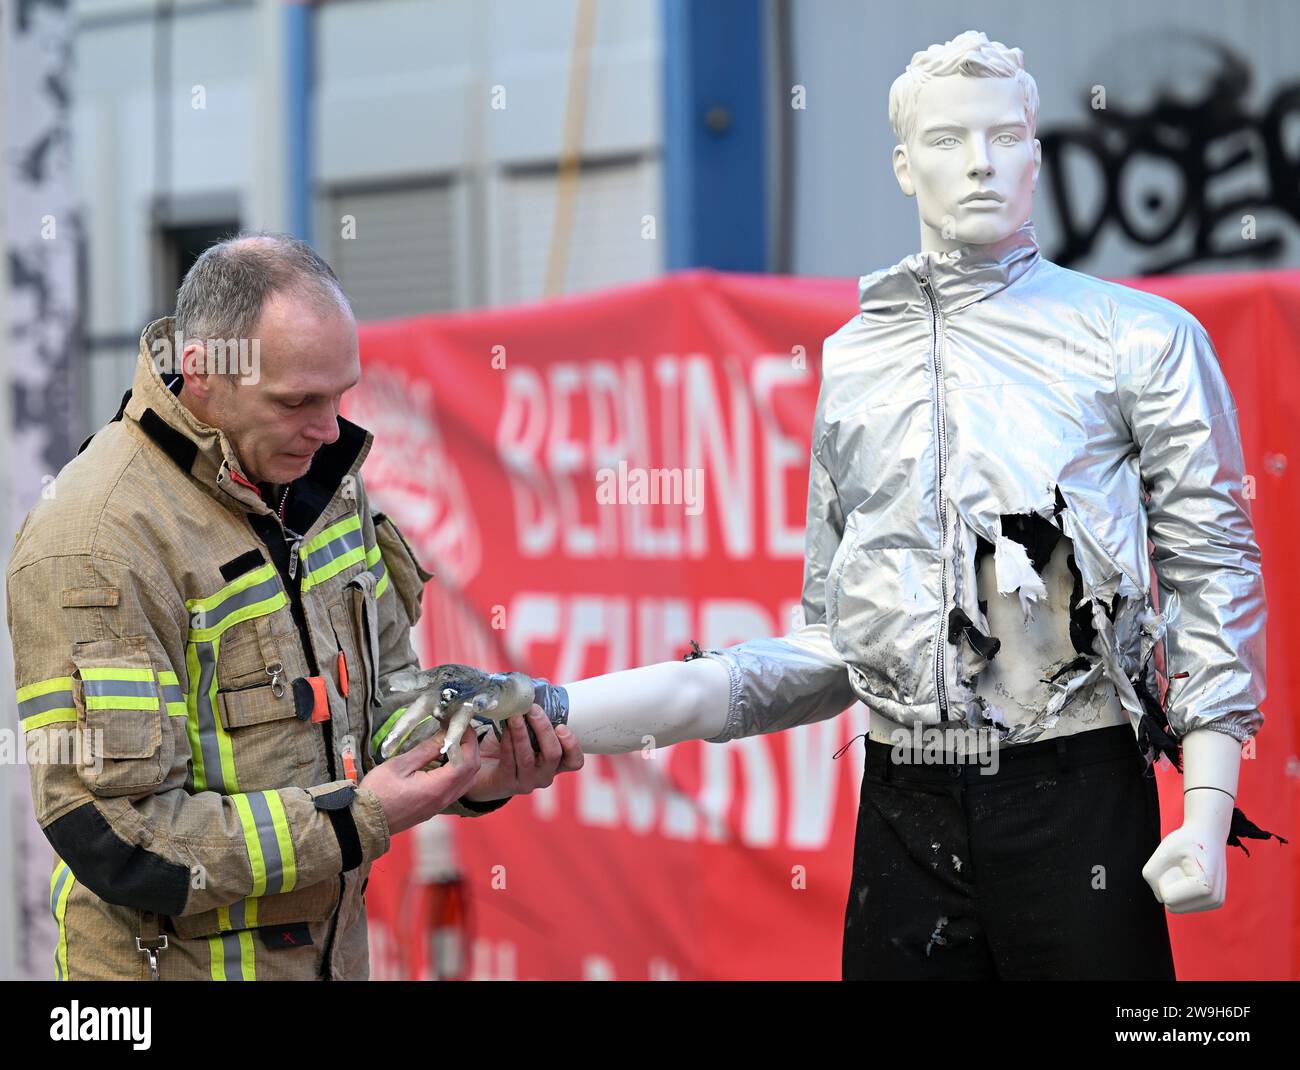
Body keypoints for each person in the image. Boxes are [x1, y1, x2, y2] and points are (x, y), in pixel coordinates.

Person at [401, 31, 1280, 980]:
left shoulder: (1140, 340)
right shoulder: (857, 358)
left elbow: (1212, 570)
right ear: (904, 164)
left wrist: (1206, 804)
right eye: (947, 140)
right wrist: (564, 705)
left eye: (1006, 136)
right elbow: (832, 641)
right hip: (903, 810)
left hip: (1074, 797)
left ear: (1038, 150)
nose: (980, 163)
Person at [7, 233, 583, 980]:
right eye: (298, 401)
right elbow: (121, 837)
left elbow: (380, 713)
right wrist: (357, 819)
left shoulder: (322, 483)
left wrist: (468, 769)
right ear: (202, 373)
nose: (330, 428)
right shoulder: (96, 539)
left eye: (340, 394)